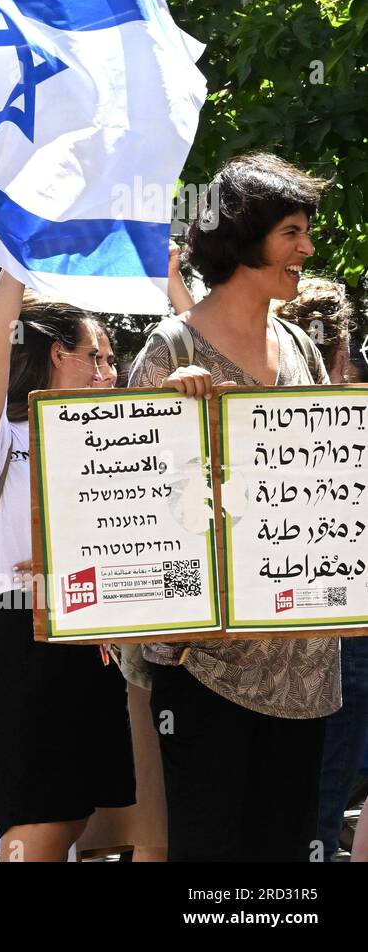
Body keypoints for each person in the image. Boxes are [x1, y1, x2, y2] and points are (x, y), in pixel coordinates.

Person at [128, 152, 337, 862]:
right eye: (291, 231)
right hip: (207, 663)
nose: (306, 248)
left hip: (305, 660)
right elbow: (135, 504)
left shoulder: (302, 345)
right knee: (210, 855)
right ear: (245, 239)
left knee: (283, 859)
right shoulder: (171, 349)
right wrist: (172, 418)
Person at [0, 268, 135, 860]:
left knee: (91, 820)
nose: (110, 373)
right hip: (18, 636)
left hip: (94, 634)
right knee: (40, 823)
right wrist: (13, 258)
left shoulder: (110, 439)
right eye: (96, 357)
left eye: (111, 360)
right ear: (58, 354)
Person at [279, 275, 368, 860]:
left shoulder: (260, 413)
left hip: (282, 635)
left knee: (294, 800)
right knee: (318, 800)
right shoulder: (347, 419)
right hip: (339, 635)